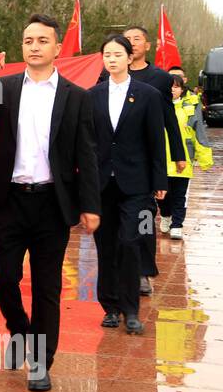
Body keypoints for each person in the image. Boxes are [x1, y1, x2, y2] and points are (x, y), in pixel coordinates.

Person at [0, 13, 100, 392]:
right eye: (28, 41)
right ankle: (19, 330)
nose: (34, 46)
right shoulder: (3, 88)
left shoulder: (76, 97)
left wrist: (91, 205)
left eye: (42, 40)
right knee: (2, 275)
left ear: (57, 48)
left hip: (51, 204)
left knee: (47, 287)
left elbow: (86, 154)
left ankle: (41, 361)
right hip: (7, 201)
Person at [88, 34, 168, 336]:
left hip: (136, 183)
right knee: (105, 246)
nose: (112, 59)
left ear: (129, 58)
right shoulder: (92, 95)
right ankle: (110, 308)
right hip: (101, 183)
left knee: (130, 242)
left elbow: (155, 140)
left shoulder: (146, 94)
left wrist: (159, 179)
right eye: (107, 54)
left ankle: (131, 310)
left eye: (117, 54)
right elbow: (88, 141)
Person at [97, 26, 186, 296]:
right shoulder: (106, 76)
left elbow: (168, 117)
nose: (132, 44)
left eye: (137, 39)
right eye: (128, 39)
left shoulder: (158, 78)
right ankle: (118, 278)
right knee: (115, 229)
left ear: (146, 45)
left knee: (144, 223)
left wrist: (179, 152)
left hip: (143, 165)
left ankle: (144, 272)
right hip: (112, 167)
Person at [163, 74, 211, 239]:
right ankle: (165, 215)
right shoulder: (156, 106)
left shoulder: (189, 107)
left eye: (176, 87)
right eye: (169, 86)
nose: (172, 90)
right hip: (161, 159)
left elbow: (198, 133)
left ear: (182, 90)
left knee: (179, 194)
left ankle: (177, 224)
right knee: (162, 195)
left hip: (183, 158)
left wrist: (204, 158)